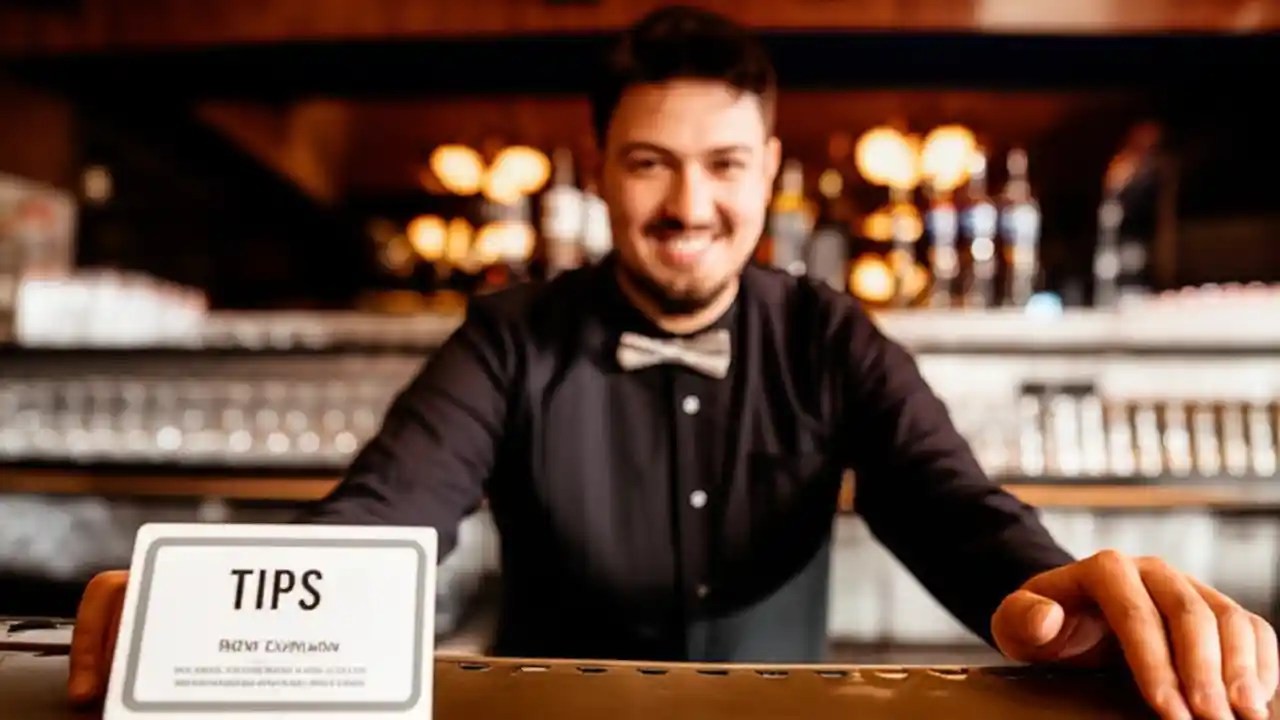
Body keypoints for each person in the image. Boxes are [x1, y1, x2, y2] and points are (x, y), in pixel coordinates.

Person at [68, 6, 1275, 720]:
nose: (689, 204)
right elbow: (381, 520)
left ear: (767, 171)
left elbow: (952, 506)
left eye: (724, 164)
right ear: (599, 168)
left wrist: (1063, 599)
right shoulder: (508, 337)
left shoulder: (829, 336)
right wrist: (216, 598)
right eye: (650, 163)